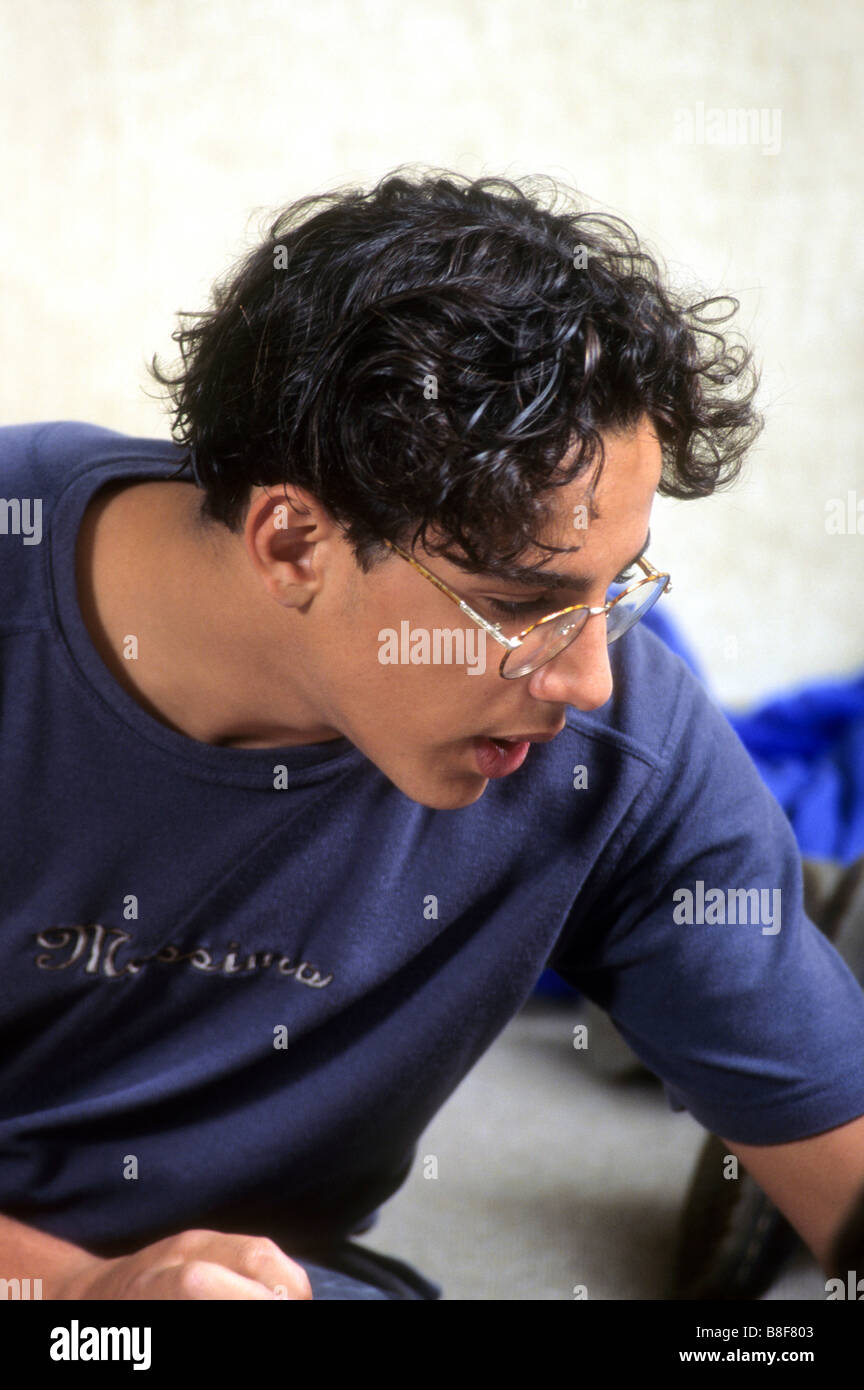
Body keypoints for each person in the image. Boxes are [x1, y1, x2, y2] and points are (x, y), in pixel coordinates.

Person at [2, 167, 864, 1301]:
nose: (590, 679)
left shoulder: (615, 752)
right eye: (517, 603)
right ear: (292, 542)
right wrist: (74, 1295)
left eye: (617, 590)